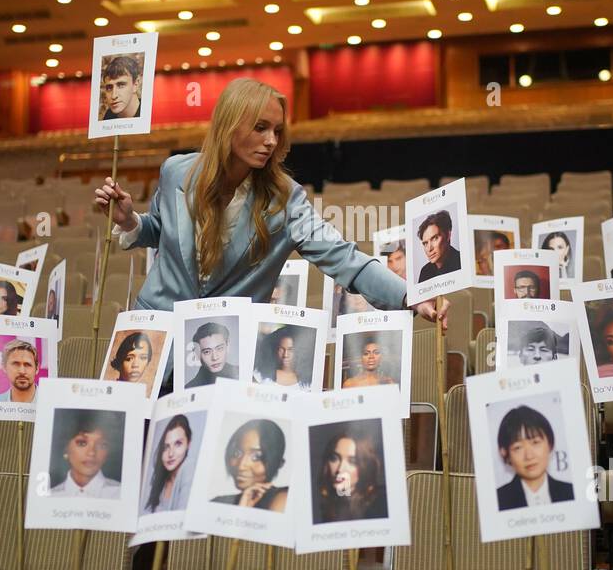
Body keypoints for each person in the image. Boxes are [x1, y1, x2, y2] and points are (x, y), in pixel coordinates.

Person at [95, 79, 447, 387]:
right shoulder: (175, 171)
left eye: (277, 131)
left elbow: (342, 256)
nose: (270, 140)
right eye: (260, 127)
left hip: (223, 353)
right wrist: (130, 221)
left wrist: (409, 295)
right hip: (150, 338)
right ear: (229, 125)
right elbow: (159, 230)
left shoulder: (285, 199)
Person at [495, 405, 574, 510]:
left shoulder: (571, 492)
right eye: (518, 447)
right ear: (505, 453)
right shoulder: (498, 500)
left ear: (550, 444)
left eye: (535, 442)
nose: (529, 456)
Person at [314, 426, 388, 523]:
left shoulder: (381, 503)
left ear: (365, 467)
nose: (340, 469)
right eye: (334, 458)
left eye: (352, 461)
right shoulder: (324, 505)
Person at [213, 419, 288, 512]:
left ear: (279, 463)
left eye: (256, 456)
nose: (241, 466)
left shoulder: (284, 499)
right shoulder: (219, 502)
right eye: (237, 453)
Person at [50, 414, 121, 498]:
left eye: (102, 445)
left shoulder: (120, 493)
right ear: (66, 449)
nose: (91, 453)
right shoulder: (52, 495)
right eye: (82, 443)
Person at [142, 415, 193, 513]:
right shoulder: (161, 480)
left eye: (178, 444)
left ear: (188, 444)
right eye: (166, 447)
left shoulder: (189, 468)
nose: (170, 453)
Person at [186, 321, 238, 387]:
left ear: (228, 346)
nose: (215, 357)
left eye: (219, 348)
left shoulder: (242, 372)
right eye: (207, 352)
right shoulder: (190, 388)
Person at [418, 210, 463, 283]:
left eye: (435, 238)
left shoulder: (462, 262)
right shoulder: (425, 271)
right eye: (425, 243)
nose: (429, 249)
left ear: (448, 235)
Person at [99, 53, 144, 121]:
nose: (114, 96)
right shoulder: (108, 116)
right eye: (109, 88)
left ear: (136, 84)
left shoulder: (147, 111)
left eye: (121, 85)